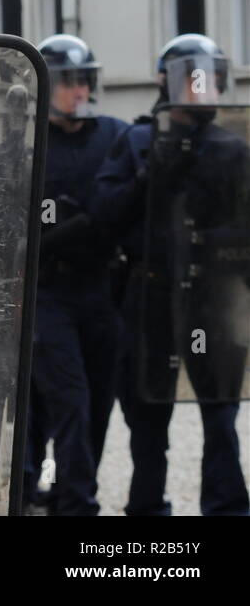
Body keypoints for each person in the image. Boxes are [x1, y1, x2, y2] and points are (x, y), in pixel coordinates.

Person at [92, 33, 250, 516]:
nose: (200, 88)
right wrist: (147, 176)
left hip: (215, 298)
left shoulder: (231, 147)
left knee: (221, 412)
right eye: (190, 77)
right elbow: (104, 215)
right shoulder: (138, 140)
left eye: (209, 78)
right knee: (147, 416)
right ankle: (147, 508)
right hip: (150, 296)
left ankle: (226, 508)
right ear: (167, 81)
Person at [21, 35, 127, 516]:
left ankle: (61, 491)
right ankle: (76, 506)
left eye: (84, 80)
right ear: (44, 86)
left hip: (100, 289)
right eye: (67, 82)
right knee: (71, 400)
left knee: (100, 401)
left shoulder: (115, 137)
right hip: (47, 292)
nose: (78, 91)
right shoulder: (25, 141)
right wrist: (79, 222)